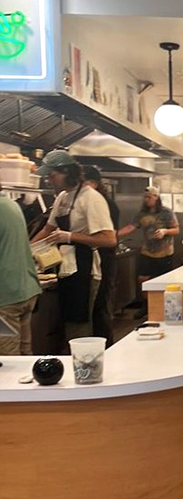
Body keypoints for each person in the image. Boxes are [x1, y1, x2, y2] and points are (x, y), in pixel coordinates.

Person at [31, 150, 115, 347]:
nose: (48, 180)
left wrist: (70, 236)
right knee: (69, 321)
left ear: (66, 172)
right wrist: (27, 250)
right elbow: (47, 229)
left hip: (86, 270)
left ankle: (84, 365)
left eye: (51, 175)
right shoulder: (62, 198)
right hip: (66, 268)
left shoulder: (91, 198)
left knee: (79, 323)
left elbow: (109, 239)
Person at [117, 186, 179, 318]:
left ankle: (163, 308)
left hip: (164, 253)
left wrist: (164, 231)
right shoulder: (142, 214)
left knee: (164, 282)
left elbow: (176, 230)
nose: (147, 200)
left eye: (149, 197)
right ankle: (146, 306)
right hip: (147, 252)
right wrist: (114, 234)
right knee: (143, 280)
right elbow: (131, 227)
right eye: (145, 197)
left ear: (156, 197)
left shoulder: (166, 212)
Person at [0, 188, 42, 355]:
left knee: (8, 359)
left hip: (6, 296)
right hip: (26, 288)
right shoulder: (11, 205)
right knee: (25, 354)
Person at [83, 166, 119, 348]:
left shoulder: (100, 202)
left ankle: (105, 348)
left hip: (103, 260)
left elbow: (109, 238)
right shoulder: (104, 201)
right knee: (100, 307)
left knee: (101, 307)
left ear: (94, 183)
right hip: (98, 261)